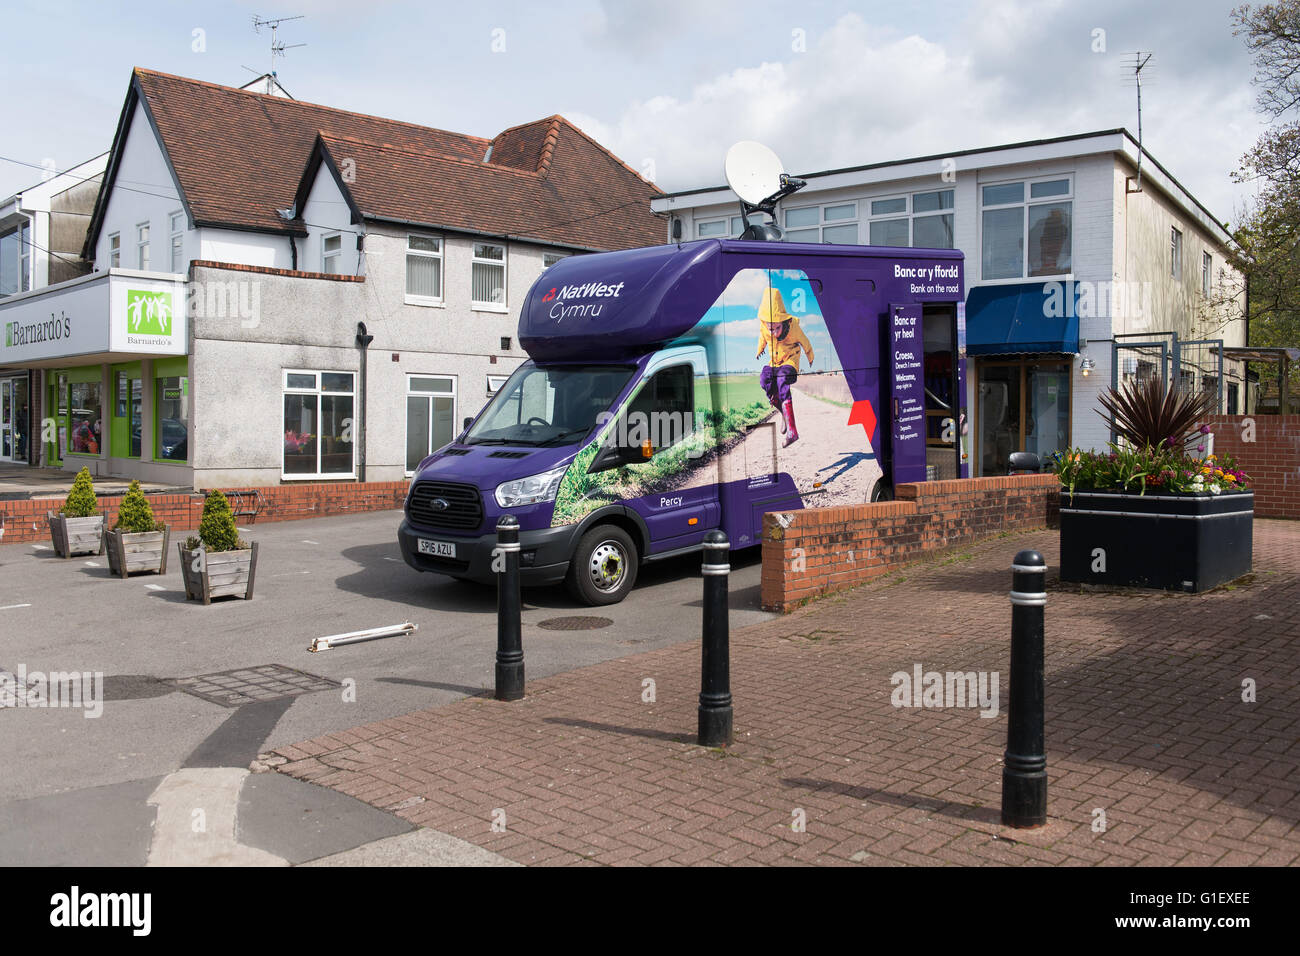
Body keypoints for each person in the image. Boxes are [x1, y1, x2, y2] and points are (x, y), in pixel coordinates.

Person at [754, 287, 814, 447]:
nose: (773, 333)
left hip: (790, 362)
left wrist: (810, 356)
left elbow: (805, 342)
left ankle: (792, 432)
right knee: (764, 379)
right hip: (774, 363)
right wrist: (760, 349)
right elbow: (762, 337)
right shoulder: (765, 327)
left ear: (783, 322)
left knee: (781, 379)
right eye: (770, 328)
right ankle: (783, 414)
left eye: (777, 328)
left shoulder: (793, 327)